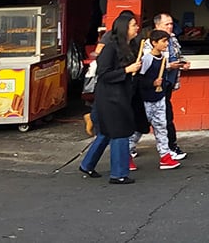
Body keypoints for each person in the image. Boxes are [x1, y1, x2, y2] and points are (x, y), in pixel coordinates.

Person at [79, 14, 142, 184]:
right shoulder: (110, 48)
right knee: (119, 132)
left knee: (106, 133)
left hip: (122, 93)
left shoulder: (131, 46)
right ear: (124, 28)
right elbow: (104, 74)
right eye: (133, 25)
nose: (137, 28)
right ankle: (118, 174)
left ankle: (87, 164)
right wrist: (127, 70)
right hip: (110, 96)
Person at [129, 30, 181, 170]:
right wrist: (151, 83)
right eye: (163, 41)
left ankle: (165, 157)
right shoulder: (147, 59)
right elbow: (138, 80)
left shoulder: (163, 58)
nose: (166, 44)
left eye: (167, 41)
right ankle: (126, 154)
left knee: (161, 128)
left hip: (159, 98)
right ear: (154, 43)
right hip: (146, 100)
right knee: (139, 129)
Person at [151, 13, 190, 161]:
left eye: (171, 24)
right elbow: (150, 62)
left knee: (165, 115)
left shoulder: (172, 38)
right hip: (156, 84)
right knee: (163, 117)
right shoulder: (151, 42)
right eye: (166, 24)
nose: (170, 27)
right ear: (157, 26)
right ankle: (169, 148)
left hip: (169, 83)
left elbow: (177, 55)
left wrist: (182, 63)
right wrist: (169, 65)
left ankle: (169, 147)